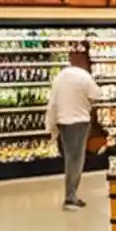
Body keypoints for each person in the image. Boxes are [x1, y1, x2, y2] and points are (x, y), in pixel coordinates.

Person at [46, 46, 101, 210]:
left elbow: (53, 103)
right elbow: (97, 95)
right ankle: (70, 196)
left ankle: (70, 194)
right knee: (76, 160)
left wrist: (51, 125)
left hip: (64, 122)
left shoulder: (60, 77)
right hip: (80, 122)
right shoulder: (84, 76)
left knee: (70, 158)